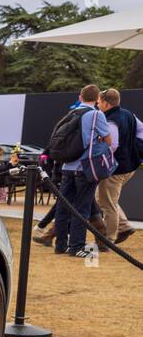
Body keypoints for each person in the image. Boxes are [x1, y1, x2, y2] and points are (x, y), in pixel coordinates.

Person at [54, 84, 112, 259]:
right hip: (85, 167)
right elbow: (108, 140)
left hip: (67, 167)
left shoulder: (71, 113)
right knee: (82, 207)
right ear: (97, 100)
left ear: (80, 97)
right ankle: (77, 246)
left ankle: (60, 244)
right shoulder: (96, 114)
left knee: (63, 207)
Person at [98, 88, 138, 244]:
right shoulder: (128, 114)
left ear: (106, 104)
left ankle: (109, 238)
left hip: (116, 169)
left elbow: (112, 145)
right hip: (130, 165)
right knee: (104, 199)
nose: (98, 105)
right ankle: (124, 226)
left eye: (100, 102)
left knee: (107, 203)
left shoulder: (110, 120)